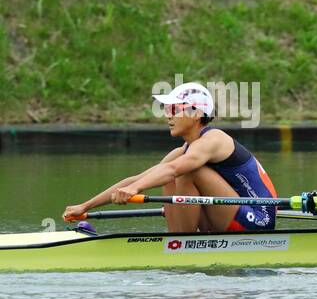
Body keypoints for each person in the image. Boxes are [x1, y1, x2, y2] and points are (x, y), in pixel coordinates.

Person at [62, 82, 278, 232]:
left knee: (184, 171)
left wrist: (135, 191)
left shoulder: (214, 140)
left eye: (175, 108)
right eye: (167, 108)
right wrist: (85, 207)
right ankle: (180, 241)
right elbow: (136, 180)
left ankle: (182, 244)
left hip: (258, 218)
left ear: (196, 113)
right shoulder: (185, 150)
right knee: (171, 172)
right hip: (231, 213)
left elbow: (173, 171)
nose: (168, 114)